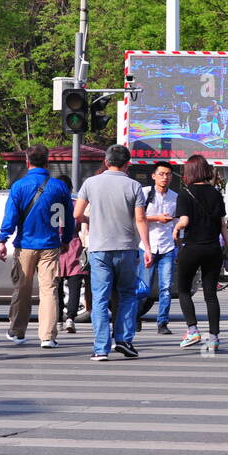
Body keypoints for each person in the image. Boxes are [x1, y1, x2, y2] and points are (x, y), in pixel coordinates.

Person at [73, 145, 151, 361]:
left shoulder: (90, 183)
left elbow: (77, 214)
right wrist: (147, 247)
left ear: (106, 162)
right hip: (127, 248)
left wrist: (93, 220)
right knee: (127, 294)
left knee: (99, 298)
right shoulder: (134, 186)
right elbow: (140, 219)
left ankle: (100, 348)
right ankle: (124, 340)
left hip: (99, 248)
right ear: (128, 163)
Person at [0, 144, 75, 349]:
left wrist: (3, 238)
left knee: (22, 288)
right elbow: (67, 218)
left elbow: (11, 217)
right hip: (50, 244)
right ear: (47, 161)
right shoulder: (59, 187)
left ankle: (17, 331)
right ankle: (47, 336)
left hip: (25, 245)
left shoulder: (19, 186)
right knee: (49, 289)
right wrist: (66, 239)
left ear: (27, 161)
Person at [172, 154, 228, 352]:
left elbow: (185, 221)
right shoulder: (216, 193)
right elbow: (222, 225)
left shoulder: (185, 193)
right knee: (210, 295)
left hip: (192, 248)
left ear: (189, 171)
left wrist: (175, 229)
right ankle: (213, 338)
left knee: (183, 289)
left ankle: (192, 330)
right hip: (213, 249)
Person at [136, 160, 177, 335]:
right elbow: (137, 217)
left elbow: (177, 220)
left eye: (168, 174)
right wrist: (157, 218)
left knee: (166, 287)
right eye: (161, 174)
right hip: (147, 246)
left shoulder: (175, 196)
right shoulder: (145, 193)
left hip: (167, 246)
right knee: (143, 286)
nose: (164, 177)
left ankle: (162, 322)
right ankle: (135, 318)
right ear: (153, 176)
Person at [55, 175, 89, 333]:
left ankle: (57, 320)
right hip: (74, 246)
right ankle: (70, 318)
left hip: (55, 247)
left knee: (56, 286)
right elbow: (84, 225)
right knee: (75, 285)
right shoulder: (76, 205)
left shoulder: (53, 206)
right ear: (70, 189)